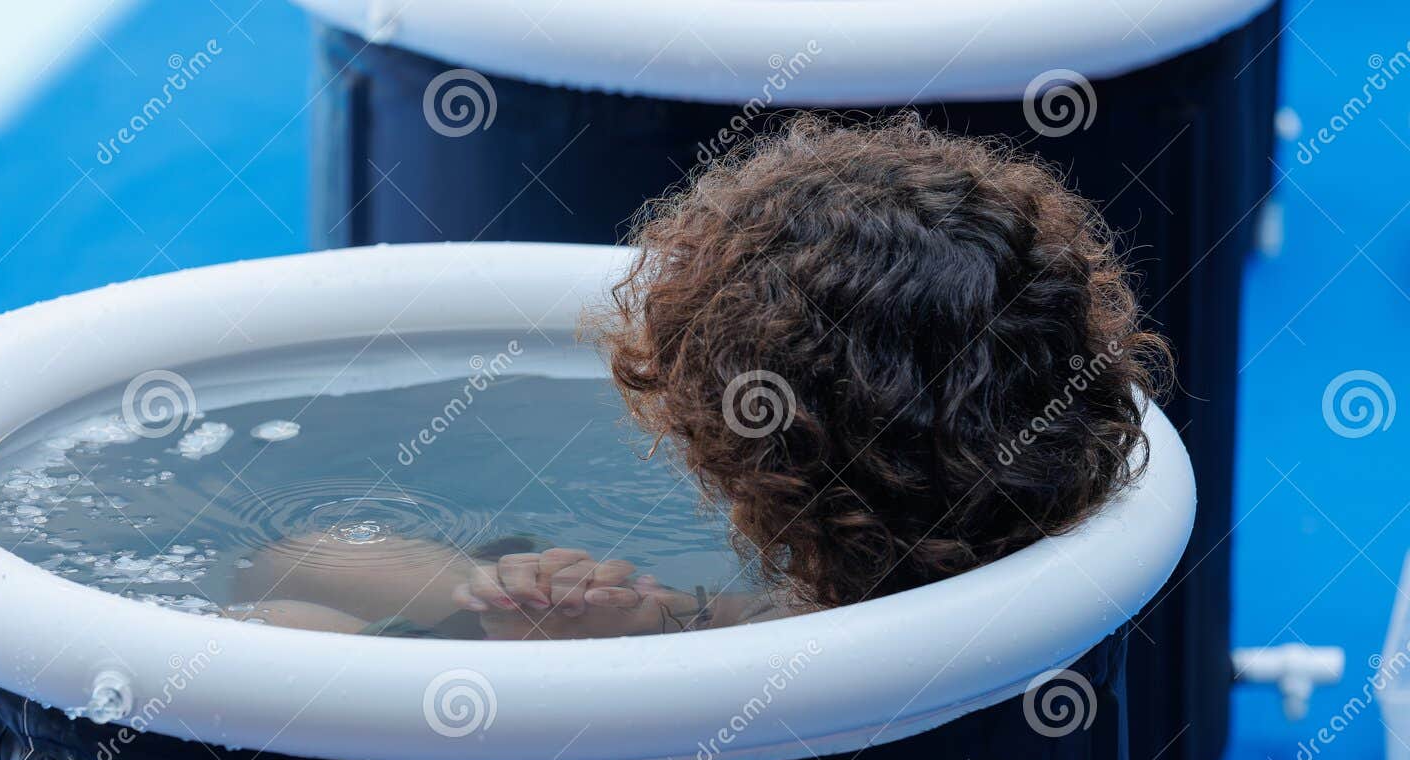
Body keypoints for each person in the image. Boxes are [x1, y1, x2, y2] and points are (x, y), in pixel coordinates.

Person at [233, 113, 1169, 641]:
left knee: (279, 619)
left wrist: (620, 647)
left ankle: (464, 606)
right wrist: (661, 613)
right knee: (305, 558)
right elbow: (818, 612)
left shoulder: (848, 651)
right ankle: (480, 591)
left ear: (753, 452)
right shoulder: (993, 542)